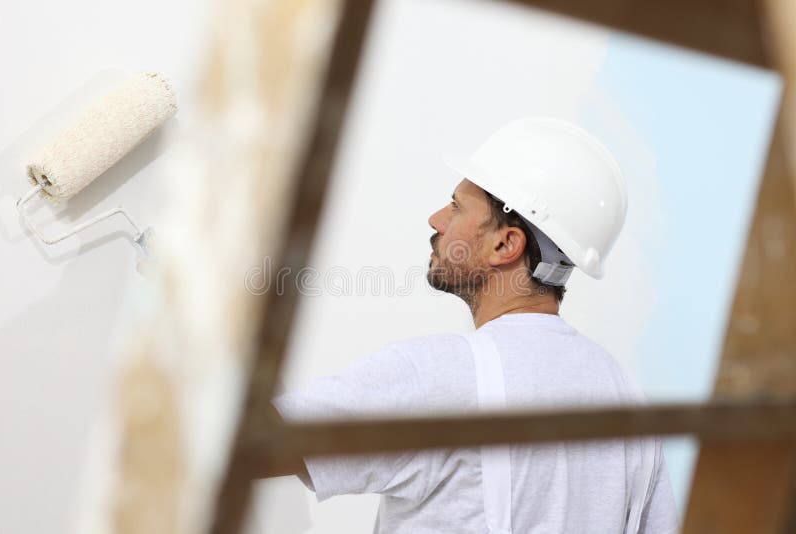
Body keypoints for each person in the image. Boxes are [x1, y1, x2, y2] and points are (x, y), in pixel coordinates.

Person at [270, 117, 679, 533]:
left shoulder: (442, 378)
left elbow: (249, 442)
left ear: (506, 245)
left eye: (457, 206)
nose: (436, 219)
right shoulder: (631, 412)